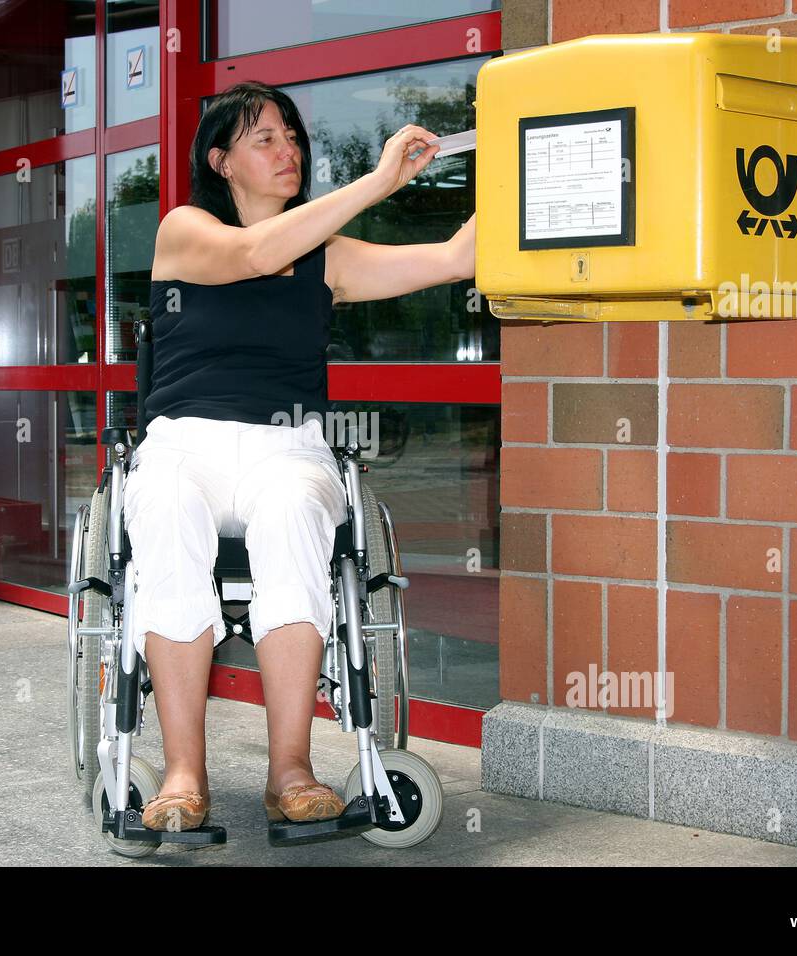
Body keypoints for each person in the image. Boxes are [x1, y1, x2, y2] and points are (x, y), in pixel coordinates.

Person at [124, 79, 476, 831]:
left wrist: (523, 166)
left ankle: (292, 767)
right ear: (221, 161)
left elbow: (452, 259)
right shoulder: (185, 230)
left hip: (287, 445)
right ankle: (185, 769)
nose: (289, 150)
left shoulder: (326, 256)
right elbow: (255, 252)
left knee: (292, 521)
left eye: (292, 137)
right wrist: (379, 180)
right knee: (167, 514)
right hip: (185, 440)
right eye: (266, 139)